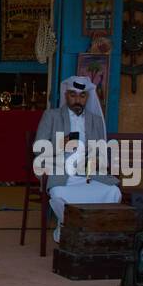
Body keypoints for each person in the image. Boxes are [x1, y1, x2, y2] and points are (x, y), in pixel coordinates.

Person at [35, 75, 120, 241]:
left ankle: (94, 232)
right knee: (59, 193)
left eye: (82, 96)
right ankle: (68, 227)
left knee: (112, 191)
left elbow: (100, 152)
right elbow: (39, 148)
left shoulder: (95, 120)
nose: (77, 100)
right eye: (73, 95)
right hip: (59, 170)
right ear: (66, 95)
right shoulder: (51, 116)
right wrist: (61, 144)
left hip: (87, 171)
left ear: (87, 97)